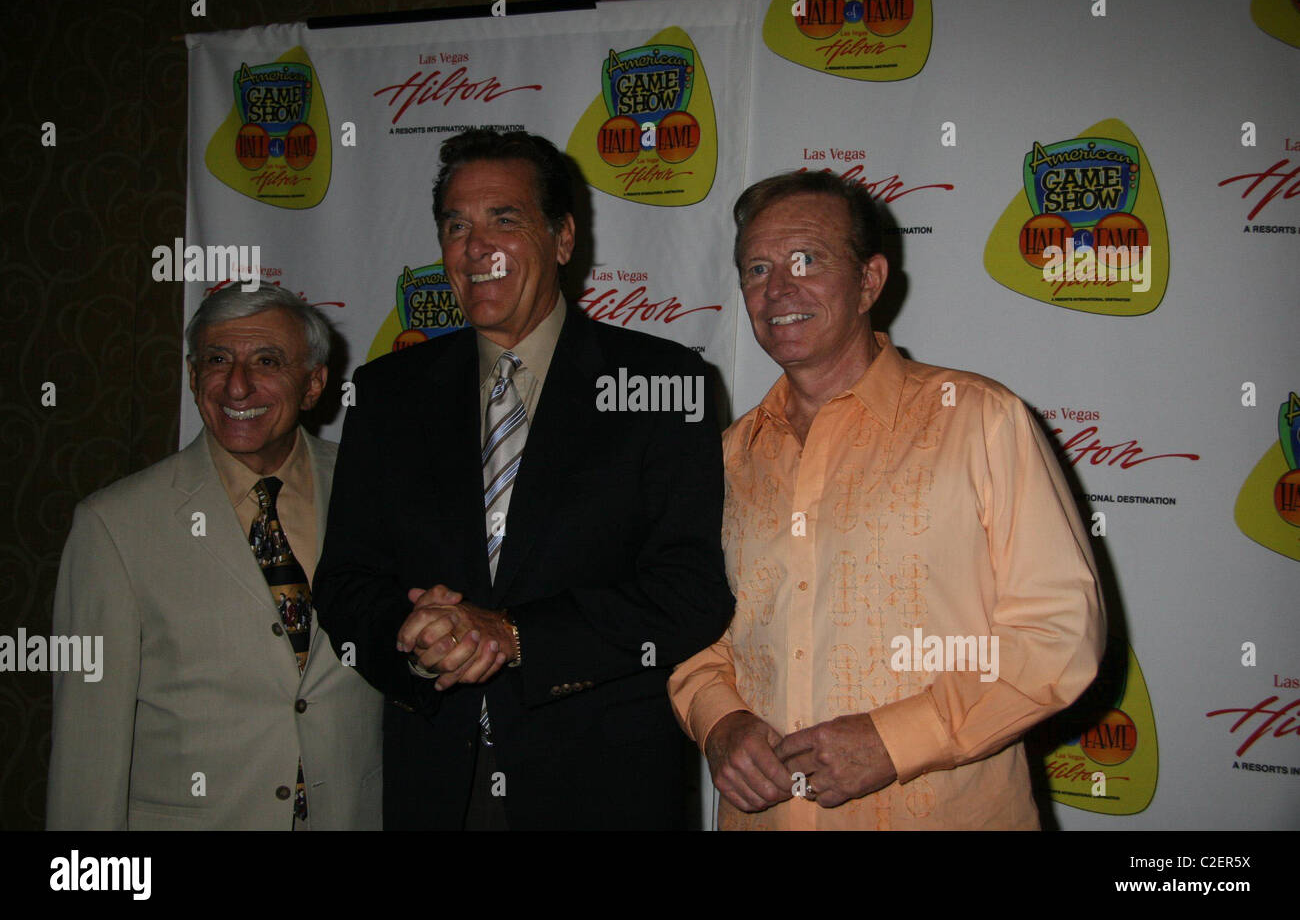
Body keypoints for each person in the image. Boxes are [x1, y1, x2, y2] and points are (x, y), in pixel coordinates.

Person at [313, 128, 734, 830]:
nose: (476, 249)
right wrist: (416, 641)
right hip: (437, 786)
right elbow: (348, 581)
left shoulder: (663, 383)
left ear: (563, 238)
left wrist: (515, 634)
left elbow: (688, 591)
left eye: (504, 220)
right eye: (456, 226)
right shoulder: (387, 393)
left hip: (604, 793)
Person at [669, 171, 1105, 829]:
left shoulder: (978, 420)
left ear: (870, 281)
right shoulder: (723, 460)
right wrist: (720, 721)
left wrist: (896, 739)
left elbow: (1059, 635)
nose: (778, 287)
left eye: (806, 260)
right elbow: (690, 627)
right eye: (757, 268)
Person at [47, 285, 382, 829]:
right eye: (217, 360)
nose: (238, 384)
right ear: (191, 374)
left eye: (267, 361)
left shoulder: (372, 490)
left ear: (315, 383)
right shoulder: (115, 525)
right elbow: (88, 750)